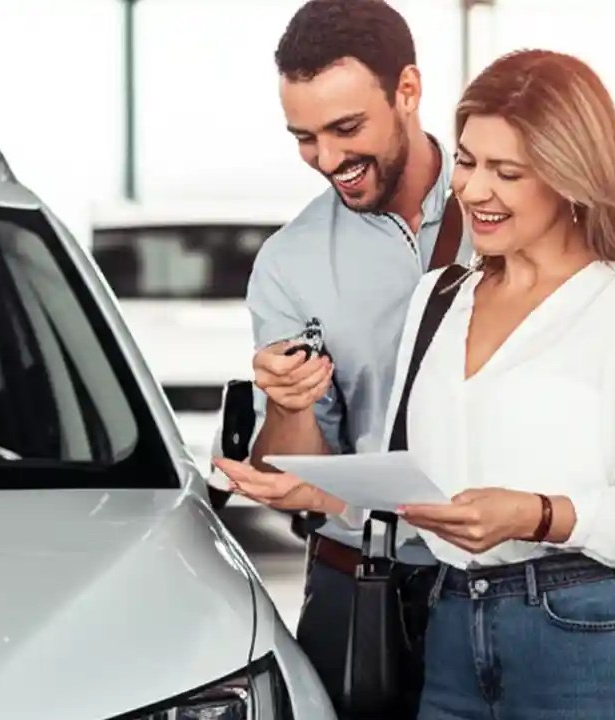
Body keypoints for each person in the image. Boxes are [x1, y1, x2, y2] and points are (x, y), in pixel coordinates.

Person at [222, 47, 615, 719]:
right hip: (452, 628)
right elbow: (418, 482)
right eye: (468, 160)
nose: (474, 190)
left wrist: (536, 513)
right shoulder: (442, 297)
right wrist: (313, 487)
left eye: (507, 171)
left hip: (583, 635)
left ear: (572, 175)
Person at [210, 0, 471, 716]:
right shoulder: (289, 264)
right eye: (304, 138)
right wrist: (290, 403)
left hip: (500, 583)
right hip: (360, 584)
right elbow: (293, 467)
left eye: (346, 129)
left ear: (408, 92)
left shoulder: (500, 208)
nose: (328, 160)